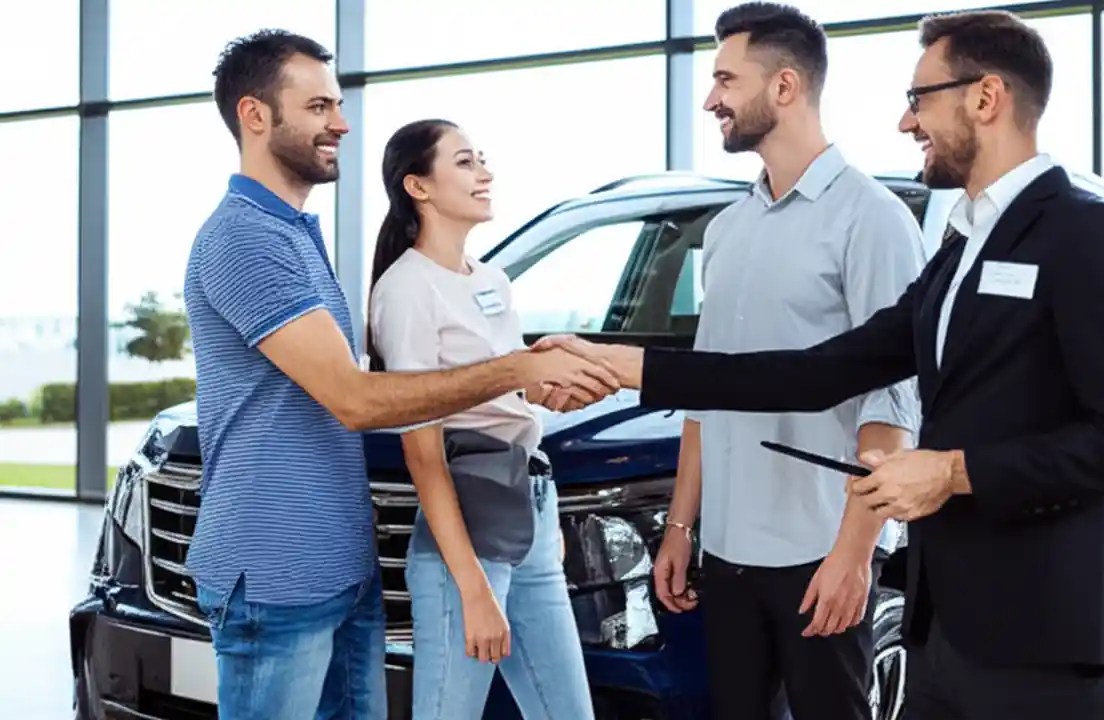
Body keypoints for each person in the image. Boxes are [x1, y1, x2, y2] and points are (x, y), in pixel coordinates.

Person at [537, 9, 1104, 720]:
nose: (908, 124)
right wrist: (628, 368)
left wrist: (952, 471)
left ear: (985, 98)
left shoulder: (1086, 232)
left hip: (1041, 633)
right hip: (944, 630)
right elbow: (814, 373)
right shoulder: (958, 252)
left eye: (919, 98)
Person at [183, 31, 616, 720]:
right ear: (255, 115)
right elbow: (355, 399)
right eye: (320, 105)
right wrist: (515, 369)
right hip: (275, 576)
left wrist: (525, 383)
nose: (342, 123)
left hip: (342, 569)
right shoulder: (245, 238)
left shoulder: (295, 234)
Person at [650, 4, 924, 719]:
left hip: (817, 552)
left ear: (785, 87)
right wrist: (682, 528)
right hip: (729, 555)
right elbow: (707, 394)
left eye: (724, 79)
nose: (711, 99)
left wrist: (855, 554)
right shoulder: (730, 227)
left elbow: (892, 402)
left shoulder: (872, 219)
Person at [364, 119, 596, 720]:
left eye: (483, 160)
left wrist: (551, 390)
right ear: (418, 186)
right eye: (466, 162)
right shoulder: (406, 289)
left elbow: (499, 397)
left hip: (531, 514)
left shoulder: (492, 280)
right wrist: (474, 588)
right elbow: (422, 453)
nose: (485, 173)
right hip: (465, 538)